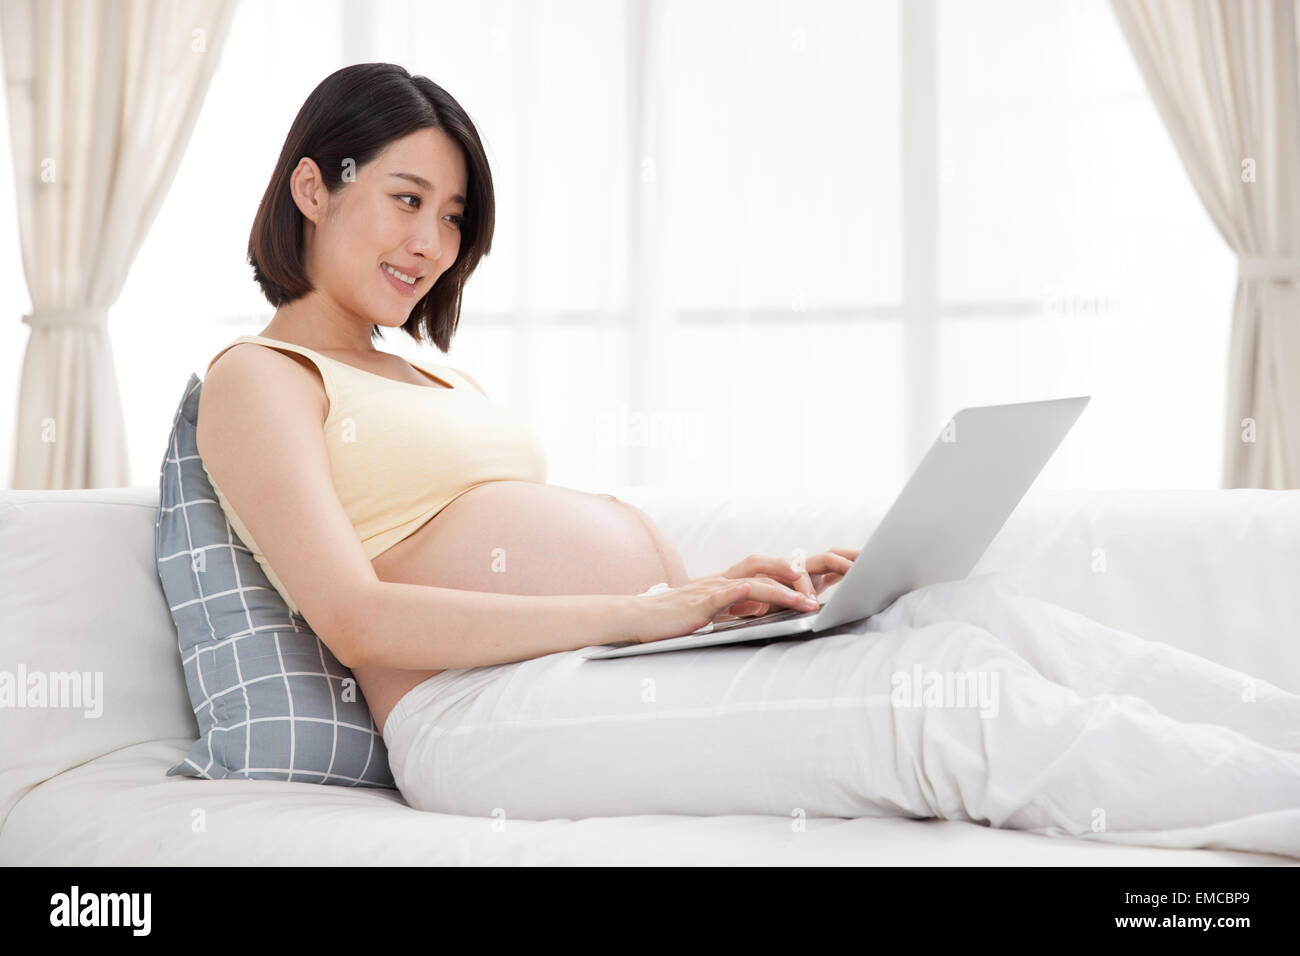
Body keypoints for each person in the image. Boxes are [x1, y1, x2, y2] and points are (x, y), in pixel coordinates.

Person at [198, 63, 1300, 860]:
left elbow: (533, 563)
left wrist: (726, 598)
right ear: (312, 188)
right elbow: (360, 619)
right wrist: (643, 613)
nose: (431, 243)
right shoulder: (259, 377)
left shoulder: (427, 376)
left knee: (968, 614)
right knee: (931, 699)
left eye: (451, 216)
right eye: (406, 200)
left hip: (597, 667)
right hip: (471, 718)